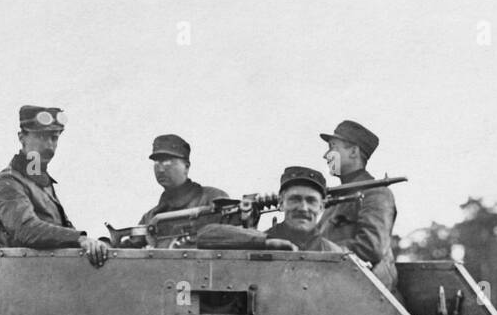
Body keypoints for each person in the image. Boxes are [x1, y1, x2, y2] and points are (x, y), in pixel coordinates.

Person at [0, 105, 109, 267]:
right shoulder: (8, 183)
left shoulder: (43, 183)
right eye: (40, 137)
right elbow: (26, 230)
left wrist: (97, 243)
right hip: (20, 277)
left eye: (54, 137)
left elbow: (62, 230)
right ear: (21, 137)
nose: (48, 146)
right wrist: (79, 238)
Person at [315, 120, 398, 290]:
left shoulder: (377, 193)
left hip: (368, 296)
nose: (326, 155)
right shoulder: (334, 197)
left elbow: (371, 248)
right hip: (337, 287)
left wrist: (319, 250)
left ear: (353, 151)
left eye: (333, 147)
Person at [196, 167, 343, 252]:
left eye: (311, 201)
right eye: (295, 199)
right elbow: (205, 234)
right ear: (280, 203)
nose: (303, 208)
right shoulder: (256, 241)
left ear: (321, 207)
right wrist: (266, 242)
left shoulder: (334, 253)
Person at [140, 134, 229, 231]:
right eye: (157, 163)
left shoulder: (212, 198)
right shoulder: (150, 218)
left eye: (167, 162)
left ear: (186, 167)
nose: (161, 169)